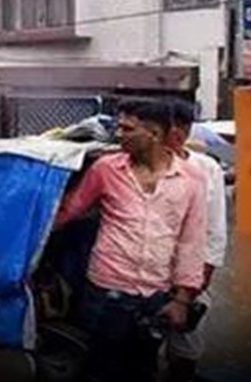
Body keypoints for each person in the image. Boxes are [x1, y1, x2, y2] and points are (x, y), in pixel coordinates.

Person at [53, 98, 207, 382]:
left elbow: (192, 241)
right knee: (96, 369)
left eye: (128, 129)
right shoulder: (105, 169)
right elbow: (67, 211)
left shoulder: (191, 179)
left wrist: (182, 300)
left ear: (155, 134)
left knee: (142, 370)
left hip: (155, 295)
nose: (119, 135)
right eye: (118, 127)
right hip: (105, 291)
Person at [163, 100, 228, 382]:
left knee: (185, 350)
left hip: (189, 274)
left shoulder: (207, 168)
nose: (176, 134)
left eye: (182, 127)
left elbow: (215, 229)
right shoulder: (132, 165)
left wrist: (198, 282)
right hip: (143, 273)